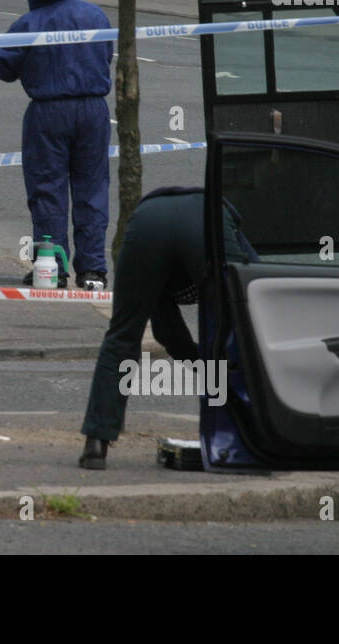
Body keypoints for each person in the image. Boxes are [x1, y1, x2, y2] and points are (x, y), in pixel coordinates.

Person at [77, 186, 257, 469]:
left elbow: (168, 333)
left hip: (145, 224)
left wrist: (199, 364)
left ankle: (96, 443)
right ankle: (234, 437)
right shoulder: (224, 223)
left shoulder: (157, 224)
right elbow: (255, 294)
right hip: (202, 225)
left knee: (122, 335)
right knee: (235, 327)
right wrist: (214, 370)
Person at [0, 0, 113, 290]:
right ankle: (93, 271)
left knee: (48, 189)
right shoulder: (96, 15)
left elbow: (2, 68)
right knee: (92, 188)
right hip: (93, 111)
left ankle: (52, 267)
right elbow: (106, 55)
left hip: (47, 113)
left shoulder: (28, 23)